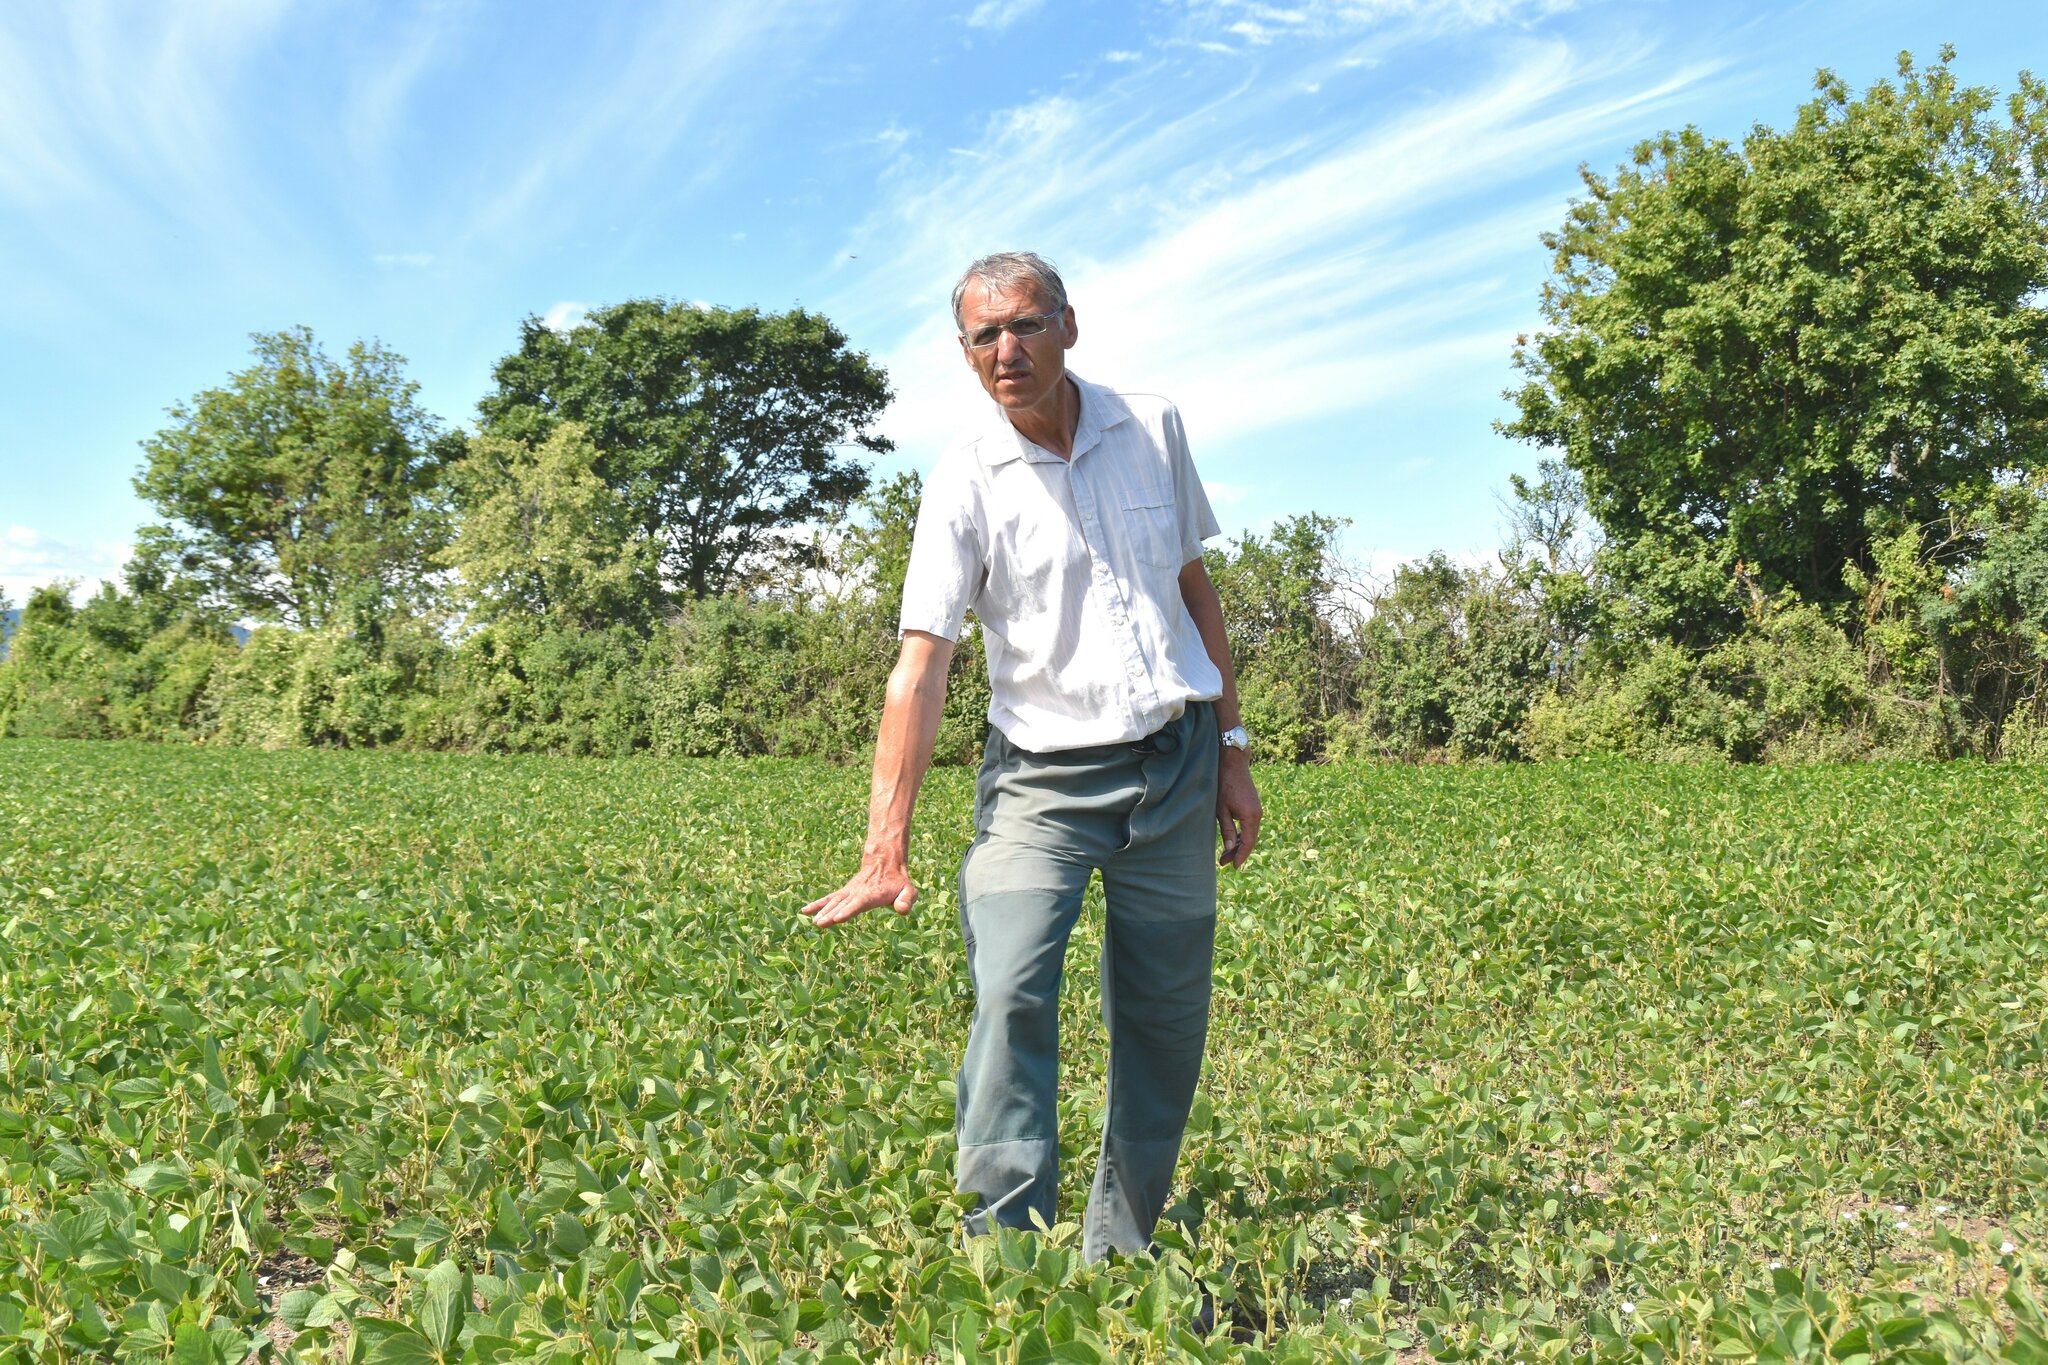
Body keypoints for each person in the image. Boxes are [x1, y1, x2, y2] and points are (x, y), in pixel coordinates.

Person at [803, 250, 1261, 1263]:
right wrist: (886, 847)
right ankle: (1003, 1249)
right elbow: (919, 667)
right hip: (1039, 783)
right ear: (962, 354)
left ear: (1067, 324)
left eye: (1023, 325)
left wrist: (1230, 749)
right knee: (1010, 988)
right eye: (982, 335)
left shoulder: (1152, 425)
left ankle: (1121, 1247)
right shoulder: (963, 479)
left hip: (1176, 766)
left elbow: (1194, 591)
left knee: (1163, 1016)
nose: (1005, 350)